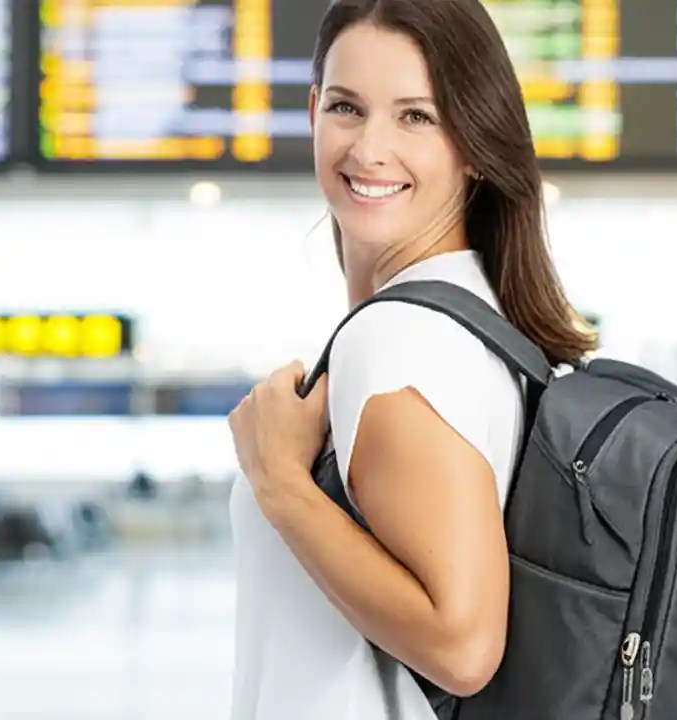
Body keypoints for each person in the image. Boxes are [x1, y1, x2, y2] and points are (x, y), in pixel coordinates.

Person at [226, 1, 597, 718]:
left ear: (474, 141)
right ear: (312, 112)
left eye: (416, 117)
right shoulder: (475, 322)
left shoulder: (397, 339)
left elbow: (462, 647)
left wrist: (281, 483)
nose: (369, 149)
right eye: (346, 107)